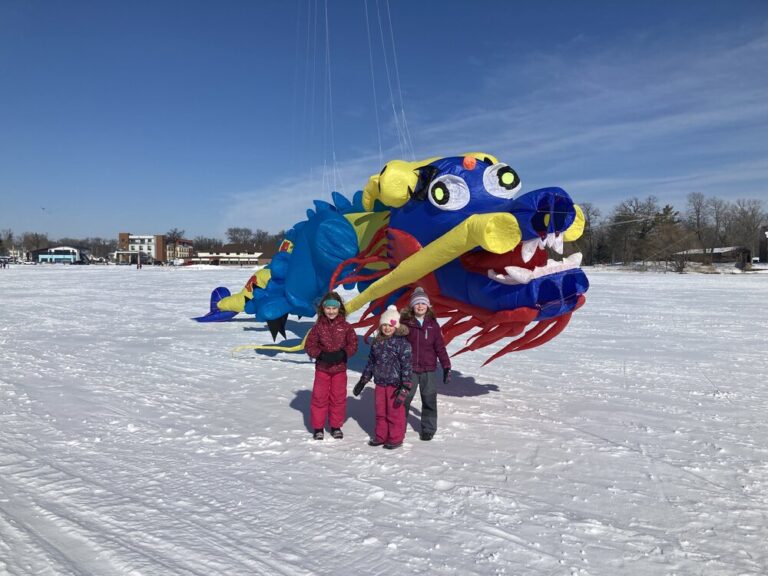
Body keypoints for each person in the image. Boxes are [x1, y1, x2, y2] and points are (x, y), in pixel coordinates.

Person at [353, 305, 412, 449]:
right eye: (384, 325)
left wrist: (405, 385)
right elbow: (371, 362)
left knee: (394, 413)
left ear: (396, 326)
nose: (386, 328)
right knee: (380, 412)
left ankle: (395, 438)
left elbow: (407, 366)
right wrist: (363, 380)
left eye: (390, 325)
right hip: (379, 383)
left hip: (395, 385)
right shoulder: (377, 343)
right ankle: (381, 436)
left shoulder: (403, 344)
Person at [399, 287, 451, 441]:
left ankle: (428, 428)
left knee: (429, 399)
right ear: (412, 306)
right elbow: (398, 344)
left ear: (428, 306)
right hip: (410, 369)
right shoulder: (406, 323)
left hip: (428, 369)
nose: (420, 306)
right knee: (404, 399)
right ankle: (399, 425)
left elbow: (440, 348)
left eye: (423, 303)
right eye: (417, 303)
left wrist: (446, 366)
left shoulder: (433, 325)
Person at [305, 291, 358, 440]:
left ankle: (336, 426)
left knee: (338, 398)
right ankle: (318, 427)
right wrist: (320, 354)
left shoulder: (347, 327)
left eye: (334, 308)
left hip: (340, 369)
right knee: (319, 398)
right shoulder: (317, 328)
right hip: (322, 369)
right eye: (328, 308)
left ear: (339, 309)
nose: (331, 311)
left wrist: (343, 353)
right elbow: (310, 345)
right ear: (323, 309)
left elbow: (353, 344)